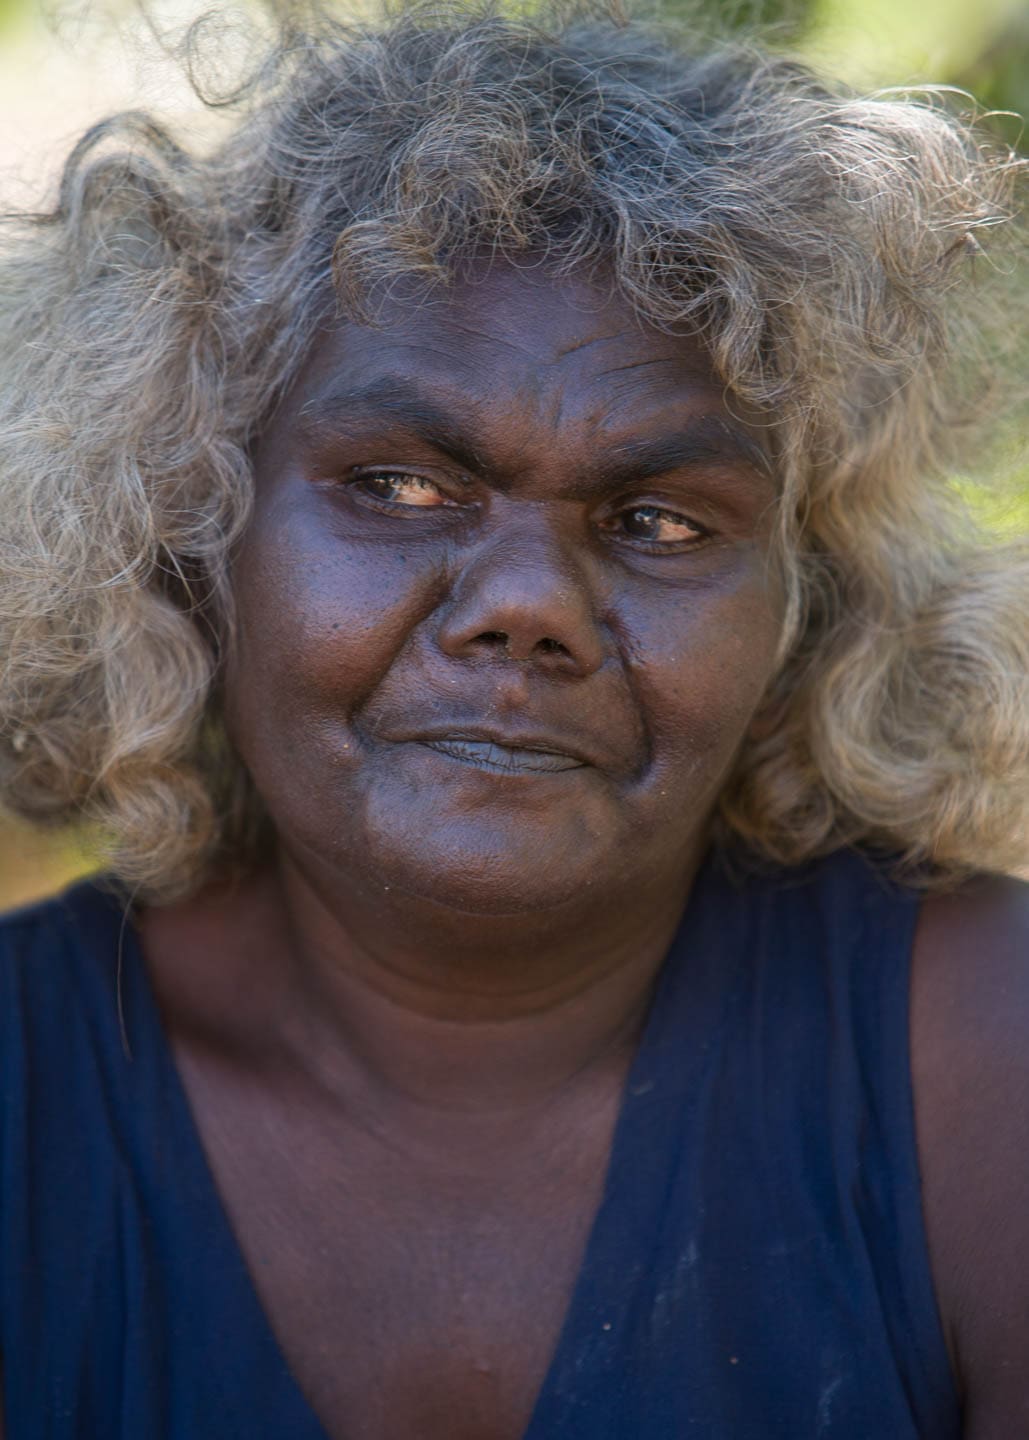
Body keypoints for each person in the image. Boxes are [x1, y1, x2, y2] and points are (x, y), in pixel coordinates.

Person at [0, 2, 1027, 1435]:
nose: (528, 606)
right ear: (189, 531)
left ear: (810, 604)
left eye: (660, 520)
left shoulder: (983, 1046)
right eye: (403, 486)